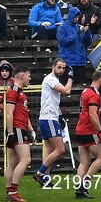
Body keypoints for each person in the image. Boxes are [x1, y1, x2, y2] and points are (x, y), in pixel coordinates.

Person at [34, 58, 72, 187]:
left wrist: (60, 116)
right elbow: (67, 91)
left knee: (50, 151)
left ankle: (45, 178)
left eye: (63, 68)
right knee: (60, 149)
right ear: (53, 67)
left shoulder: (55, 80)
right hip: (48, 118)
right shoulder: (50, 79)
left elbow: (53, 101)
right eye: (59, 67)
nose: (61, 70)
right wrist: (71, 78)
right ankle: (40, 173)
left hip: (51, 117)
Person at [74, 70, 101, 199]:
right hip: (89, 130)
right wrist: (100, 131)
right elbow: (92, 114)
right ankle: (85, 184)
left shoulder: (85, 91)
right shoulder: (94, 94)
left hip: (80, 129)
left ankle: (79, 189)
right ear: (100, 80)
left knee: (84, 162)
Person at [3, 65, 33, 202]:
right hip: (17, 129)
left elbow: (23, 113)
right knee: (25, 159)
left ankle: (9, 192)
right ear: (21, 76)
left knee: (13, 162)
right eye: (28, 76)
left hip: (18, 128)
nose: (30, 78)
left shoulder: (20, 92)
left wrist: (31, 130)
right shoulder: (13, 90)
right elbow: (9, 113)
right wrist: (10, 132)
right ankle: (13, 192)